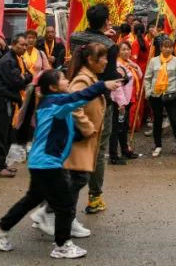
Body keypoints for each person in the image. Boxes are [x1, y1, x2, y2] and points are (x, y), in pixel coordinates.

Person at [0, 69, 124, 259]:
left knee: (32, 199)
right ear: (53, 87)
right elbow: (80, 97)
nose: (67, 81)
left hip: (42, 161)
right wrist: (103, 85)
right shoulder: (56, 102)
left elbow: (62, 131)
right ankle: (62, 245)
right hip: (47, 163)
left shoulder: (51, 103)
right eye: (63, 79)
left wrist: (82, 134)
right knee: (65, 204)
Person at [68, 4, 121, 215]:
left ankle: (57, 197)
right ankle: (95, 197)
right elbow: (110, 76)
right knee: (98, 149)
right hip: (98, 100)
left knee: (71, 145)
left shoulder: (75, 38)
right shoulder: (109, 45)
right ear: (106, 21)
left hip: (75, 93)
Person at [65, 42, 109, 230]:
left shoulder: (91, 78)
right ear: (91, 60)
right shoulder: (83, 80)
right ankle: (63, 219)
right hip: (79, 139)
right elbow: (73, 106)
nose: (106, 62)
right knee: (78, 179)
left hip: (84, 139)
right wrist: (87, 127)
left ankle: (54, 213)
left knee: (75, 179)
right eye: (103, 58)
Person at [0, 33, 32, 177]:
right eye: (22, 44)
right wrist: (25, 77)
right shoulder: (8, 61)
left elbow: (28, 75)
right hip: (3, 101)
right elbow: (18, 82)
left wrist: (25, 77)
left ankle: (3, 164)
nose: (25, 47)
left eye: (26, 45)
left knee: (8, 135)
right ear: (13, 44)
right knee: (1, 134)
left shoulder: (18, 59)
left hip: (12, 101)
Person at [143, 37, 176, 157]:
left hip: (171, 95)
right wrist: (148, 92)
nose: (167, 49)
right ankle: (158, 145)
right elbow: (147, 78)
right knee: (157, 121)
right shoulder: (153, 61)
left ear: (172, 48)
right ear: (161, 48)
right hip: (156, 95)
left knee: (175, 121)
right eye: (165, 47)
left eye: (170, 47)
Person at [108, 42, 139, 165]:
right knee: (115, 129)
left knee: (124, 127)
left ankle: (125, 150)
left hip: (128, 100)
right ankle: (113, 155)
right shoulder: (116, 65)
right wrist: (121, 104)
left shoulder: (128, 64)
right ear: (118, 52)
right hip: (118, 102)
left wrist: (132, 63)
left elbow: (140, 74)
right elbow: (117, 86)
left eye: (128, 49)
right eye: (123, 50)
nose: (126, 52)